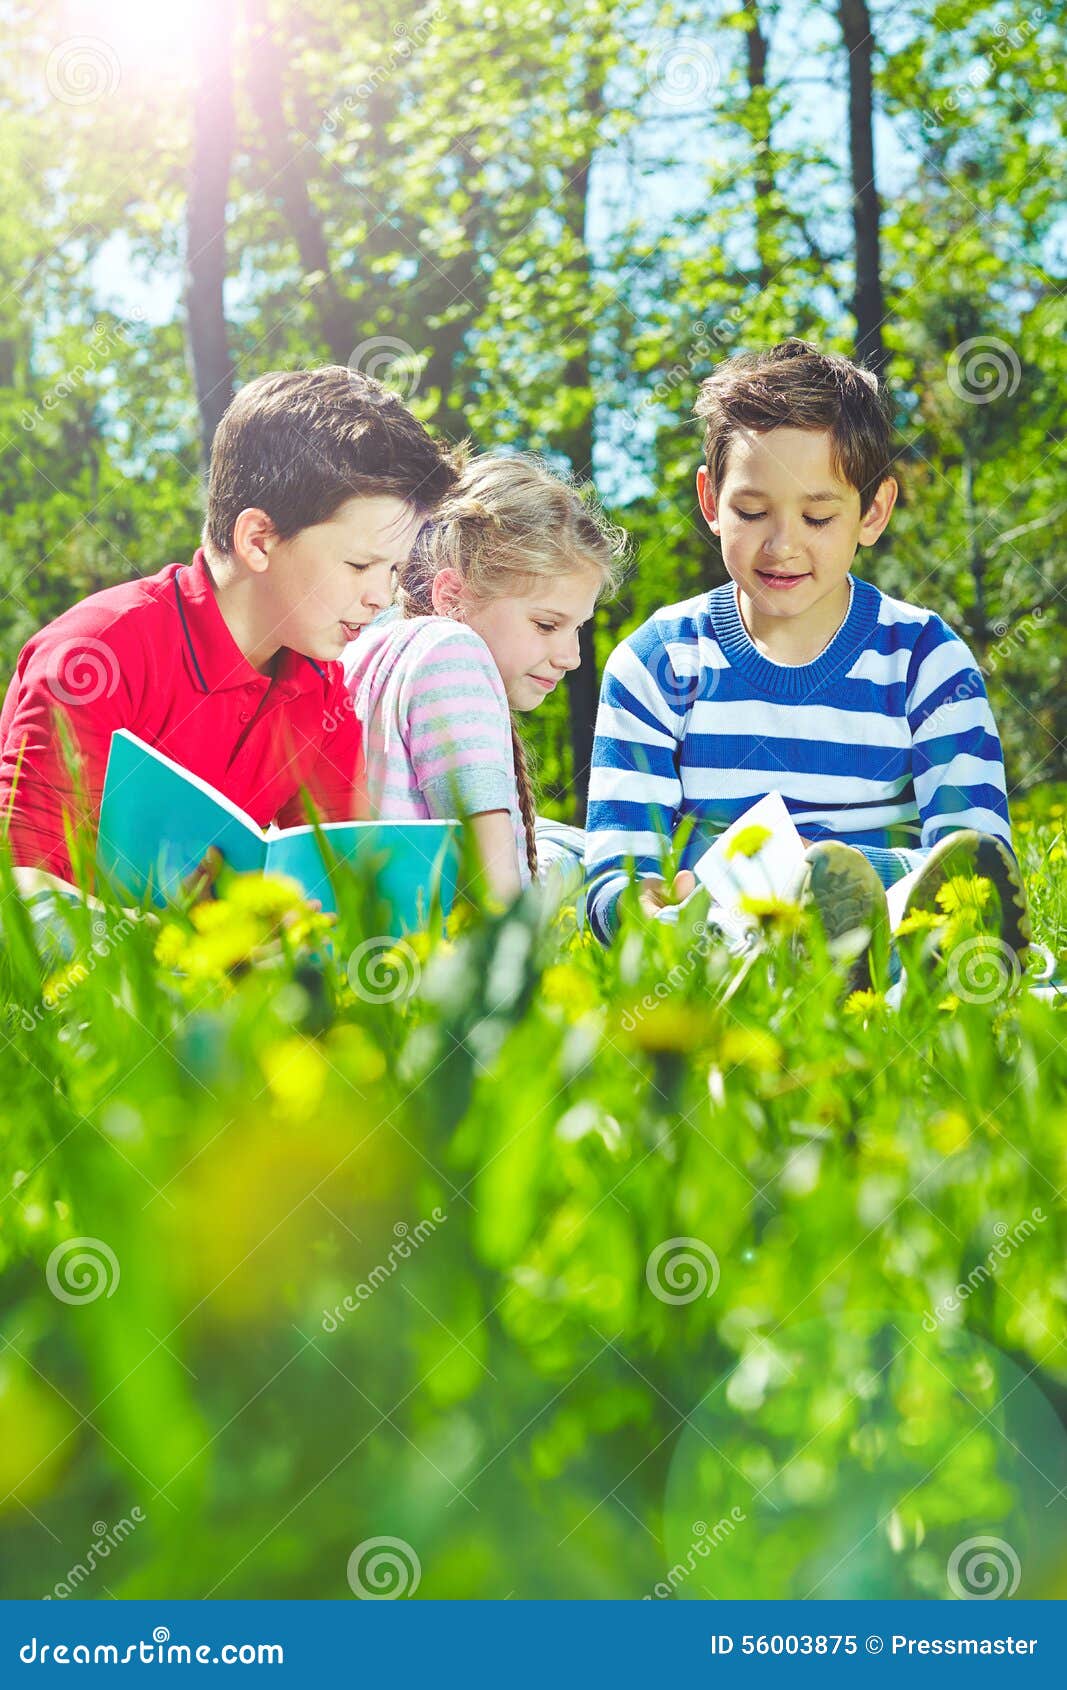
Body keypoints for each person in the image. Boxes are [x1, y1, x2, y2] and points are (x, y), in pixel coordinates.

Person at [584, 339, 1029, 974]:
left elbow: (974, 859)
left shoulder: (926, 662)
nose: (782, 545)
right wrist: (645, 907)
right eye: (752, 511)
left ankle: (861, 956)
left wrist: (832, 880)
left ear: (872, 513)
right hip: (719, 951)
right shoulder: (658, 665)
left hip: (894, 940)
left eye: (818, 517)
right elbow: (617, 871)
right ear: (711, 503)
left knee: (949, 914)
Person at [0, 366, 456, 895]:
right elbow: (18, 887)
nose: (382, 596)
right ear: (258, 540)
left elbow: (346, 887)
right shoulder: (99, 654)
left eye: (395, 571)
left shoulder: (322, 688)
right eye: (359, 566)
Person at [343, 454, 627, 904]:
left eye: (579, 628)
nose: (571, 657)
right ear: (452, 596)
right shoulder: (453, 654)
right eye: (547, 625)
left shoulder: (368, 651)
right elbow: (496, 903)